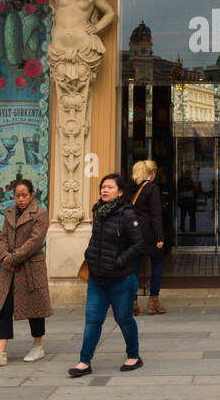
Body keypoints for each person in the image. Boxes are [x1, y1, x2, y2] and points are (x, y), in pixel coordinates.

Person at [71, 173, 145, 377]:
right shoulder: (98, 211)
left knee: (124, 318)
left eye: (110, 187)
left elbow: (139, 243)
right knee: (93, 319)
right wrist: (90, 254)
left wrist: (120, 261)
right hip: (97, 278)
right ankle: (84, 361)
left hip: (121, 279)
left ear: (120, 192)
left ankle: (134, 355)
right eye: (103, 187)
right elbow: (96, 239)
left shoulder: (127, 214)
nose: (105, 190)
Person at [0, 179, 51, 367]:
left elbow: (35, 241)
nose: (20, 199)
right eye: (17, 195)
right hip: (9, 268)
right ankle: (1, 350)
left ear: (31, 195)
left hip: (30, 267)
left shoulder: (40, 214)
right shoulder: (10, 212)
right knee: (3, 306)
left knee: (35, 308)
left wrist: (12, 258)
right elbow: (3, 236)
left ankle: (38, 345)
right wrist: (4, 255)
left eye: (24, 195)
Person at [129, 159, 167, 316]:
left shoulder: (130, 188)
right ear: (152, 173)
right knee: (157, 263)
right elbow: (156, 215)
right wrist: (160, 237)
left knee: (133, 269)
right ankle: (153, 301)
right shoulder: (151, 188)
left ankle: (133, 303)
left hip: (132, 233)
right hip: (148, 234)